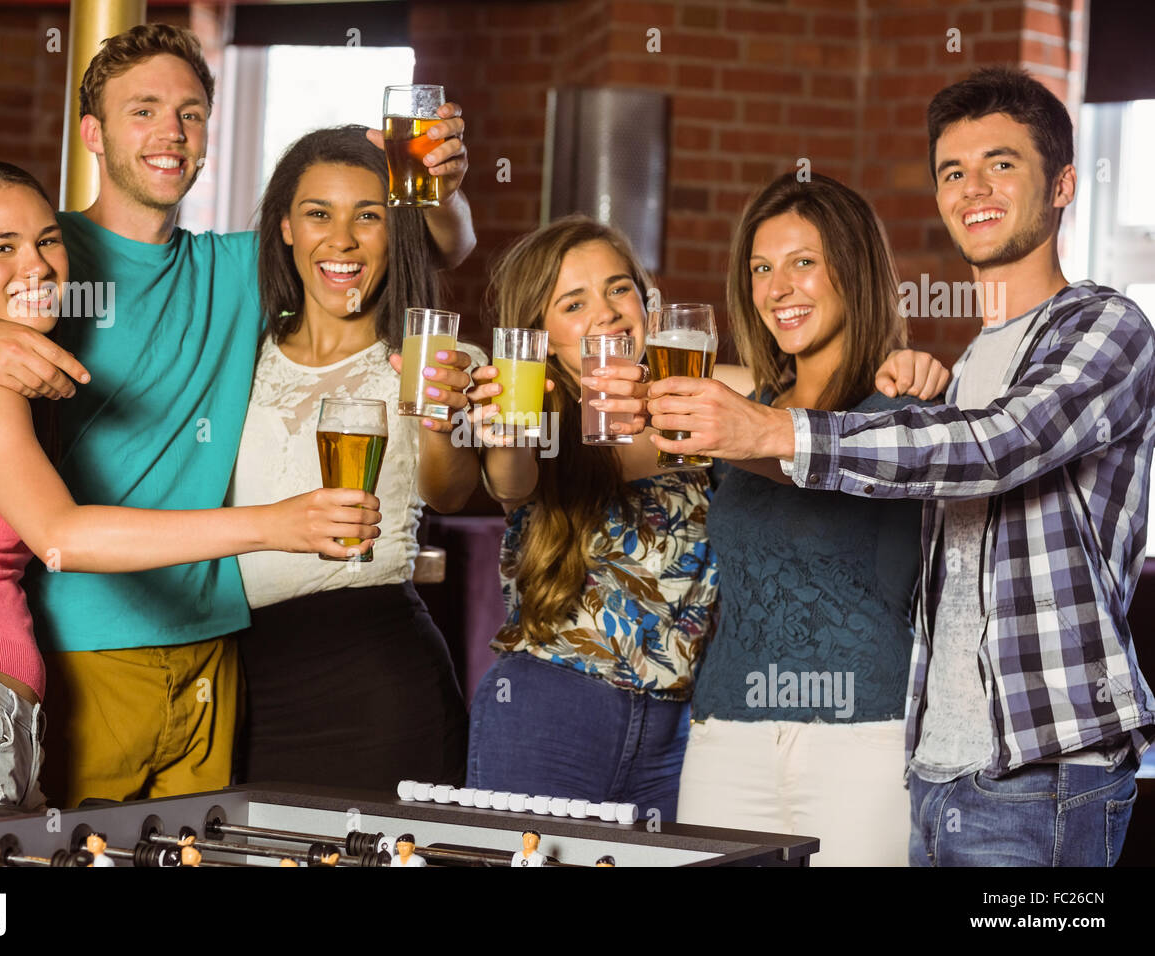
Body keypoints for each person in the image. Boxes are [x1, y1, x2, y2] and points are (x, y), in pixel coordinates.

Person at [0, 24, 474, 806]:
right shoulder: (38, 263)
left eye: (189, 113)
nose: (169, 134)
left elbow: (405, 245)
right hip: (85, 649)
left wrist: (441, 190)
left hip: (214, 651)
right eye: (142, 110)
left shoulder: (238, 270)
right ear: (94, 133)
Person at [648, 66, 1154, 867]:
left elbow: (994, 448)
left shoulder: (1106, 326)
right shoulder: (962, 369)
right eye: (954, 171)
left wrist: (777, 432)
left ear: (1063, 185)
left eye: (1002, 164)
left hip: (1044, 766)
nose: (973, 187)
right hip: (936, 766)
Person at [0, 161, 380, 829]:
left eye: (47, 240)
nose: (37, 265)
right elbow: (62, 537)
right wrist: (276, 524)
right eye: (1, 247)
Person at [463, 216, 950, 821]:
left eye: (619, 288)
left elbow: (820, 402)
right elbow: (511, 480)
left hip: (680, 725)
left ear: (647, 301)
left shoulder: (703, 388)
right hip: (553, 706)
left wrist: (898, 368)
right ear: (541, 335)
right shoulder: (540, 409)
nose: (607, 312)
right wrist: (505, 429)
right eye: (573, 302)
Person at [665, 172, 935, 866]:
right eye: (761, 268)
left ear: (854, 268)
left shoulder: (902, 413)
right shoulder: (742, 406)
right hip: (727, 734)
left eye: (802, 262)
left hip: (861, 740)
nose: (778, 286)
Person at [228, 126, 483, 790]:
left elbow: (451, 493)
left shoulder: (433, 362)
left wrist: (435, 419)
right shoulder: (232, 357)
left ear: (393, 234)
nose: (341, 239)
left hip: (379, 686)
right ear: (286, 227)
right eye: (319, 214)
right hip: (238, 688)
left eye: (366, 216)